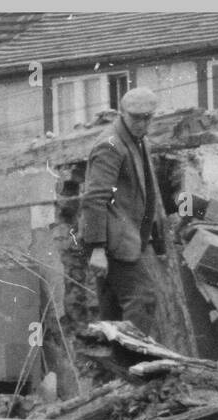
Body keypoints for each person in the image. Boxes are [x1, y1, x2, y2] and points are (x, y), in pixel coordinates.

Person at [79, 87, 172, 339]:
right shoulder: (110, 146)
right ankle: (134, 362)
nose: (142, 124)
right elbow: (95, 199)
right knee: (142, 298)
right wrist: (97, 249)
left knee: (112, 308)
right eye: (136, 118)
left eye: (147, 118)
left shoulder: (138, 141)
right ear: (122, 114)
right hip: (112, 240)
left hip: (126, 236)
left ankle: (117, 370)